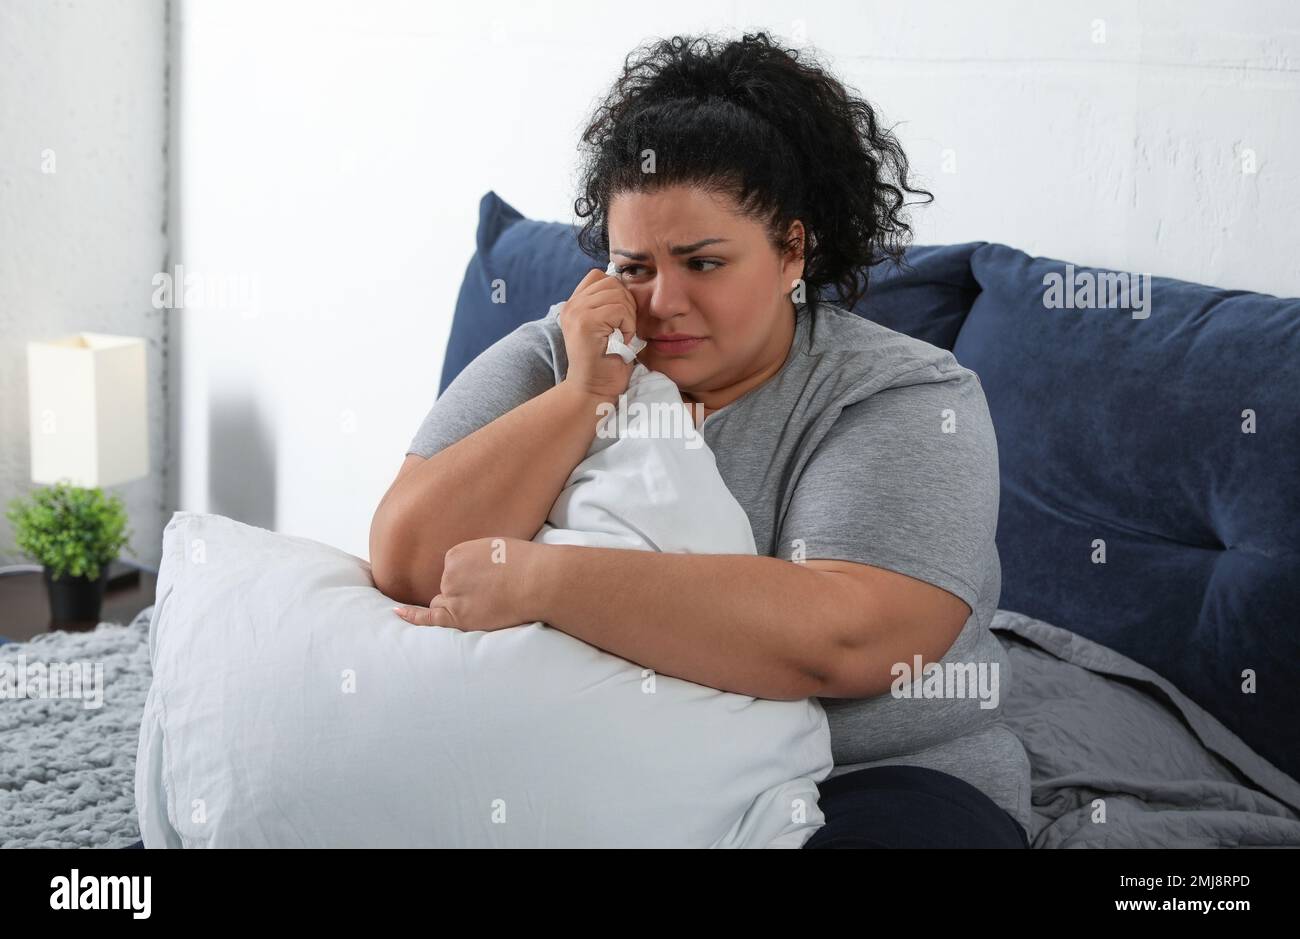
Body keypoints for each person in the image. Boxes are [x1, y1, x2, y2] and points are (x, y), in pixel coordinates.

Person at [370, 31, 1032, 849]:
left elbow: (844, 639)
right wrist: (582, 397)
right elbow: (407, 557)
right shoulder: (564, 350)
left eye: (703, 263)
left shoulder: (903, 396)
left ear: (793, 249)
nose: (661, 304)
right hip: (585, 756)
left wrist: (541, 580)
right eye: (635, 266)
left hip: (859, 780)